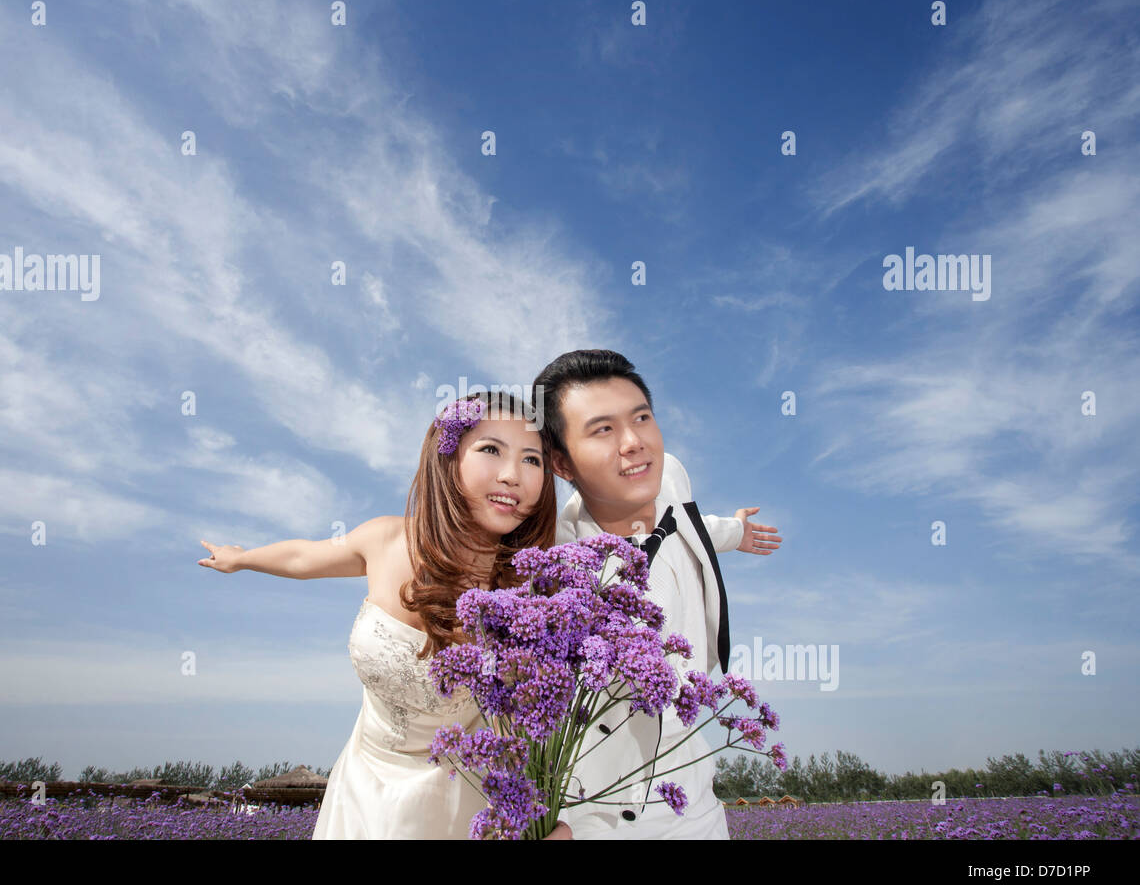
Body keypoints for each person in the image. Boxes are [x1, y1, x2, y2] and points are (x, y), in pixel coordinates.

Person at [198, 388, 563, 839]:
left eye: (532, 460)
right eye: (491, 449)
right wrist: (243, 557)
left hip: (464, 806)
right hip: (362, 791)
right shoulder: (387, 539)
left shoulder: (534, 590)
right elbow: (303, 557)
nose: (513, 475)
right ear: (447, 458)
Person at [531, 349, 783, 839]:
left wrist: (734, 532)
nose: (634, 444)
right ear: (561, 462)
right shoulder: (560, 574)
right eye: (602, 429)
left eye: (642, 418)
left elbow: (686, 520)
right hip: (599, 820)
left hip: (697, 805)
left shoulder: (670, 475)